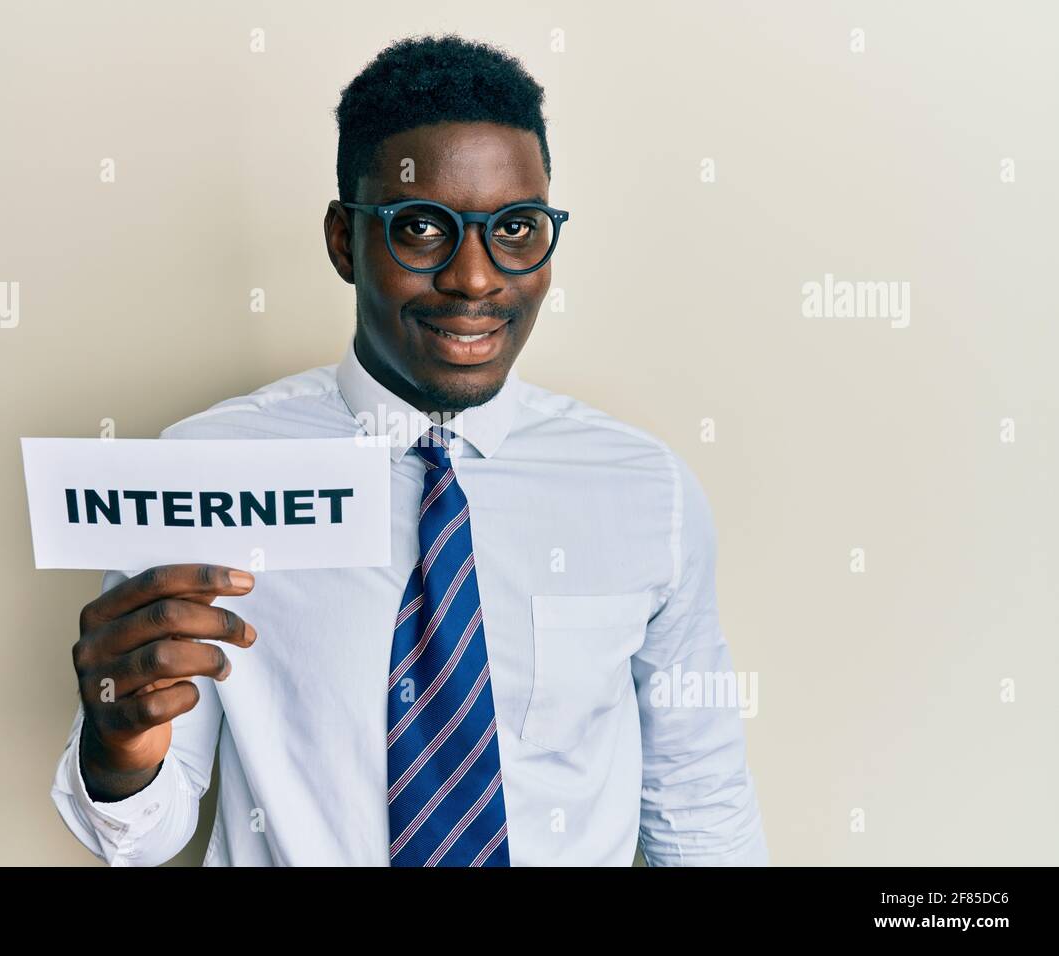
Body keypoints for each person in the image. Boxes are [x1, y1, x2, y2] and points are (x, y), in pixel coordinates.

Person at [51, 33, 768, 867]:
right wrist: (117, 742)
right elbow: (141, 837)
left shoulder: (646, 492)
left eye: (517, 228)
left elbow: (700, 807)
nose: (475, 277)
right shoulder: (207, 473)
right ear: (343, 241)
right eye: (421, 228)